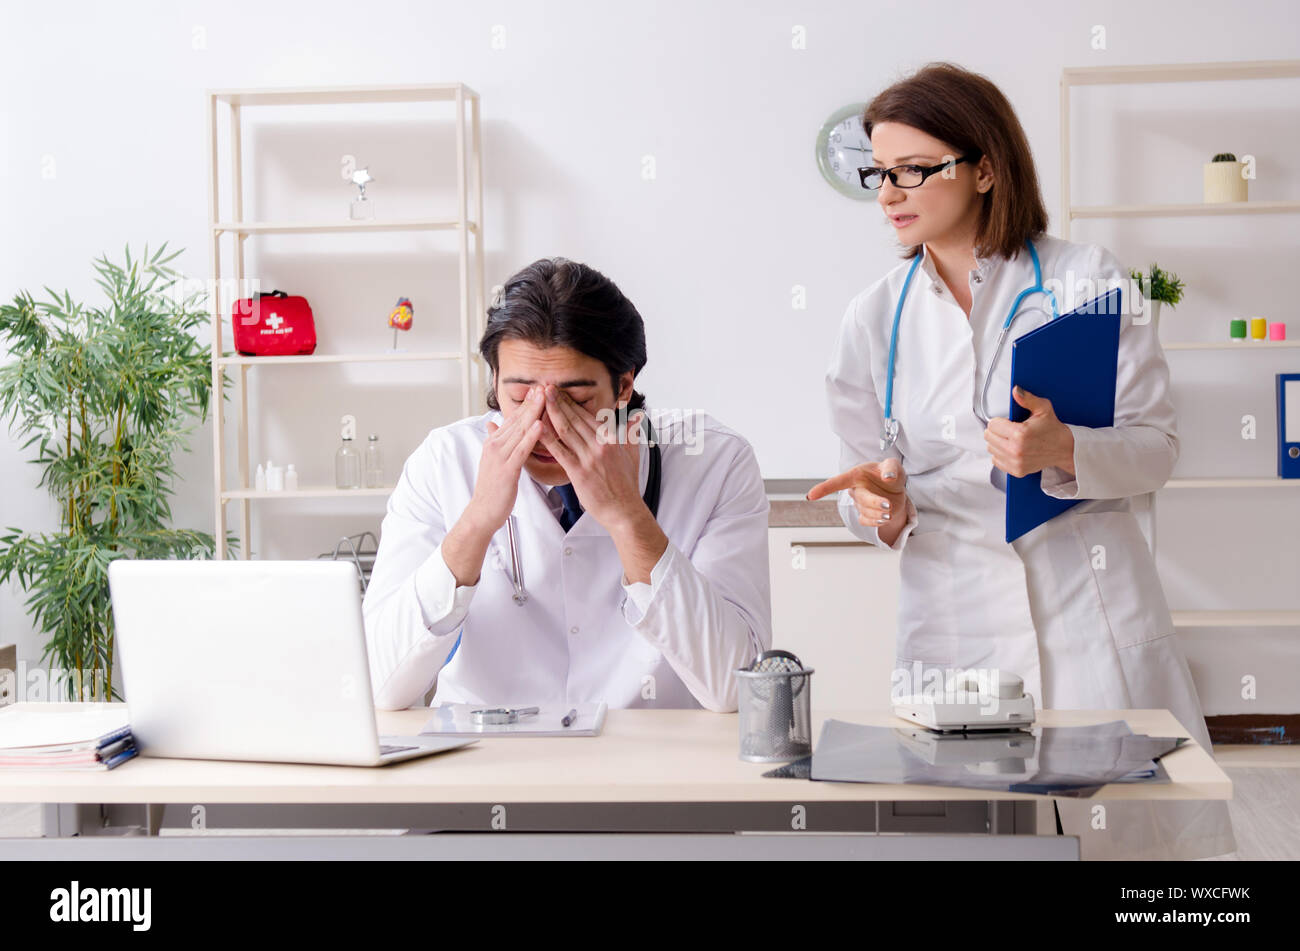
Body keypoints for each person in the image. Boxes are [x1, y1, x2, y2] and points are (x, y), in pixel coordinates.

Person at [807, 62, 1236, 860]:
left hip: (1086, 605)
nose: (889, 194)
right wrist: (880, 508)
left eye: (912, 170)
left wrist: (1065, 447)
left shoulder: (1084, 280)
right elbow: (860, 481)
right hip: (953, 620)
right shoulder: (871, 319)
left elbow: (1157, 448)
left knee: (1129, 845)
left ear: (985, 169)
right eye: (879, 173)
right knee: (973, 841)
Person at [362, 257, 771, 713]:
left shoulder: (714, 460)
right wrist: (476, 523)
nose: (545, 426)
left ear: (623, 386)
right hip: (489, 767)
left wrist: (629, 517)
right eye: (519, 398)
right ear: (495, 382)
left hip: (654, 768)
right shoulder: (443, 461)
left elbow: (739, 689)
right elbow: (380, 687)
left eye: (575, 400)